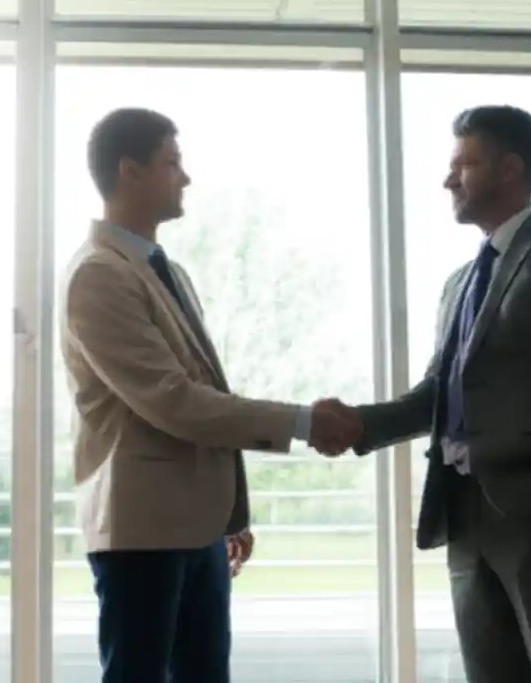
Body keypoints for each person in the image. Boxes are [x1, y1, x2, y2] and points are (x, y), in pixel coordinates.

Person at [59, 107, 361, 683]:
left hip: (193, 529)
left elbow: (204, 396)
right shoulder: (99, 274)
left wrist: (229, 515)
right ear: (131, 171)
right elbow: (175, 402)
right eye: (172, 162)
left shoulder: (161, 269)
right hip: (144, 534)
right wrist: (303, 420)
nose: (186, 177)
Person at [346, 105, 531, 682]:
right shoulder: (459, 283)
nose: (448, 178)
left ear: (509, 170)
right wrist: (356, 425)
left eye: (464, 164)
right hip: (463, 513)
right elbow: (436, 396)